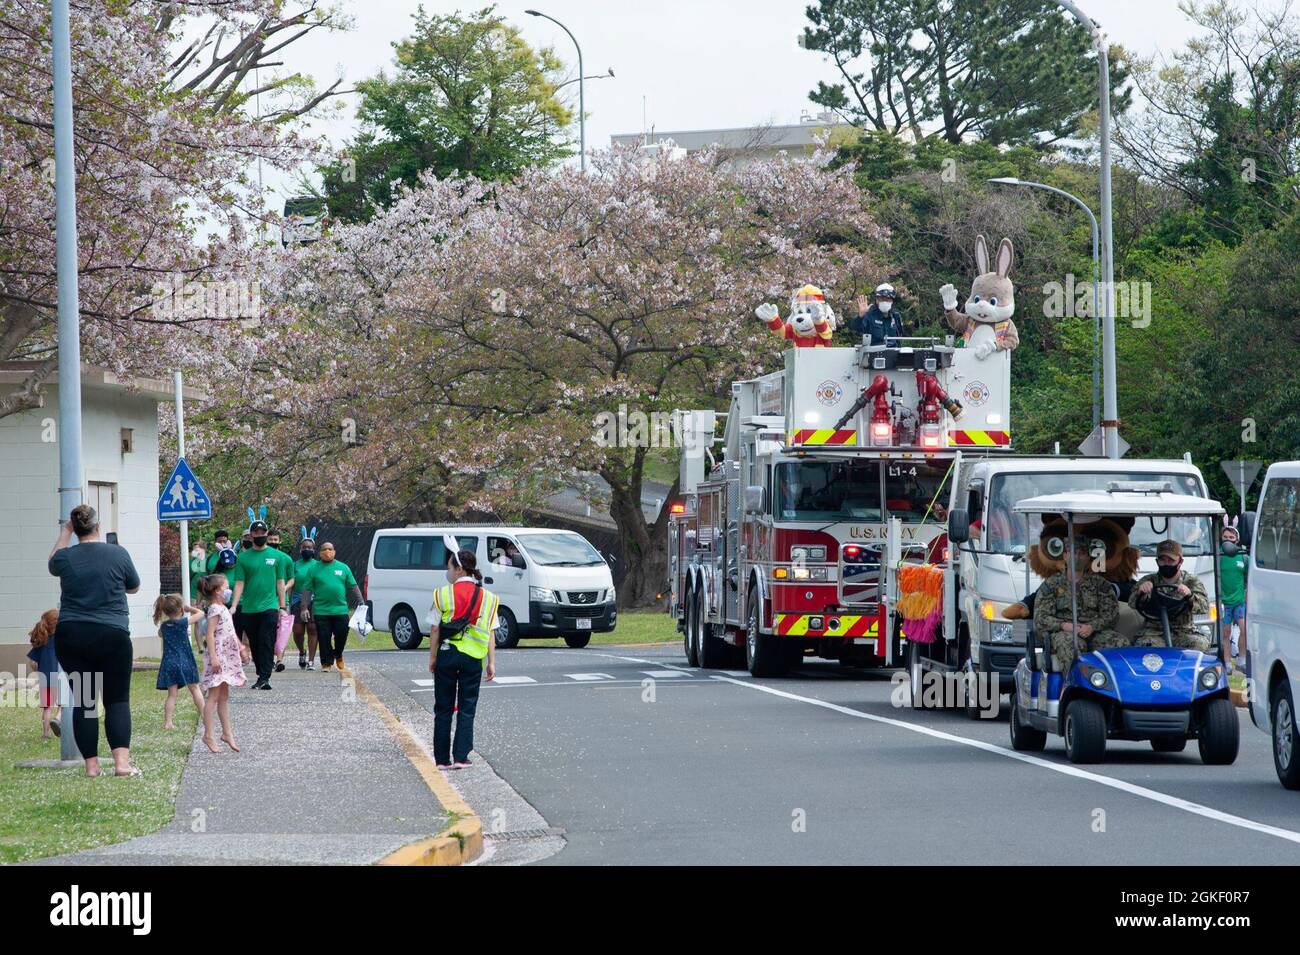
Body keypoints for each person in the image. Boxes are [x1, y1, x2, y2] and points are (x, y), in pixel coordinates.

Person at [47, 504, 142, 777]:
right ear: (98, 527)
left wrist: (65, 533)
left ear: (75, 530)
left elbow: (52, 562)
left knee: (86, 699)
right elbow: (134, 586)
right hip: (112, 634)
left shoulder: (66, 556)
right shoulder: (117, 553)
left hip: (73, 635)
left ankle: (91, 767)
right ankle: (122, 765)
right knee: (116, 700)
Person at [429, 548, 499, 769]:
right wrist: (491, 662)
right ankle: (461, 757)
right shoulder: (489, 597)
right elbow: (491, 632)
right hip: (473, 658)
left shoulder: (441, 594)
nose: (447, 571)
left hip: (447, 655)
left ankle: (442, 760)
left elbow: (434, 629)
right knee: (467, 708)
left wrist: (433, 657)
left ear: (459, 569)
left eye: (449, 567)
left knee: (443, 708)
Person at [1033, 538, 1125, 672]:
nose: (1076, 557)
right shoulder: (1052, 585)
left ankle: (1113, 690)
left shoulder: (1100, 584)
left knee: (1120, 643)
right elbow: (1041, 618)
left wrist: (1092, 626)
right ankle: (1073, 688)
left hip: (1094, 632)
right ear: (1065, 556)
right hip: (1064, 633)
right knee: (1071, 646)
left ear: (1088, 557)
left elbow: (1111, 614)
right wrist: (1065, 626)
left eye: (1081, 553)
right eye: (1072, 552)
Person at [228, 519, 288, 690]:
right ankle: (260, 672)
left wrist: (282, 607)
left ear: (267, 534)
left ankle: (265, 677)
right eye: (257, 532)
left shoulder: (276, 557)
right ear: (251, 535)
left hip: (269, 606)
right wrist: (233, 605)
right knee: (254, 641)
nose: (260, 535)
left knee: (266, 640)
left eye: (263, 532)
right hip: (249, 607)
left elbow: (280, 582)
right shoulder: (243, 558)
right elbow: (240, 583)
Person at [1130, 539, 1211, 651]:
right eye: (1162, 560)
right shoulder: (1148, 580)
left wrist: (1190, 596)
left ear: (1180, 562)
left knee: (1199, 644)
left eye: (1171, 560)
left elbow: (1204, 607)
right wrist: (1142, 592)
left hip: (1184, 631)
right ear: (1157, 561)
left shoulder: (1191, 581)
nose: (1166, 563)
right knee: (1145, 646)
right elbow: (1132, 603)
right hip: (1154, 632)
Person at [197, 574, 245, 752]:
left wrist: (240, 648)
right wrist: (215, 658)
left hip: (227, 657)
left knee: (224, 696)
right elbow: (209, 634)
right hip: (218, 657)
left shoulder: (222, 608)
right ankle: (208, 735)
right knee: (214, 696)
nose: (228, 591)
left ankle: (227, 733)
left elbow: (230, 632)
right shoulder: (215, 609)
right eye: (226, 588)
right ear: (217, 591)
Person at [299, 541, 361, 673]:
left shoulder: (343, 568)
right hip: (321, 610)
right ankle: (326, 662)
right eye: (324, 549)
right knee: (324, 637)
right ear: (320, 553)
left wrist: (361, 602)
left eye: (330, 549)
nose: (327, 551)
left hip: (340, 610)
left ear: (334, 551)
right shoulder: (314, 569)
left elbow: (353, 586)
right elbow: (307, 590)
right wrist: (304, 607)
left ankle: (338, 654)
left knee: (342, 634)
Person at [153, 594, 205, 730]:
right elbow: (201, 613)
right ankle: (205, 716)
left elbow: (160, 634)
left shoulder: (164, 627)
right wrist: (189, 608)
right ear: (181, 609)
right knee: (195, 689)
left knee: (172, 695)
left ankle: (168, 722)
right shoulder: (183, 622)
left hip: (169, 663)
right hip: (185, 661)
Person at [26, 609, 60, 740]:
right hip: (60, 677)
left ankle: (46, 734)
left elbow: (33, 663)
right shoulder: (61, 640)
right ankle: (57, 719)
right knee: (64, 704)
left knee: (47, 707)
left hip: (45, 678)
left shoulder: (42, 641)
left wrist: (38, 670)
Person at [1219, 525, 1249, 667]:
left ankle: (1242, 659)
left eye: (1231, 537)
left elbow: (1249, 578)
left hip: (1239, 601)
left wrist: (1246, 593)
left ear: (1237, 539)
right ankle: (1227, 662)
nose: (1228, 540)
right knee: (1226, 633)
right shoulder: (1218, 555)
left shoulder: (1243, 556)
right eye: (1225, 537)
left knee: (1244, 630)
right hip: (1224, 603)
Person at [266, 529, 295, 673]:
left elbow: (292, 578)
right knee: (269, 630)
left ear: (280, 541)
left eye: (275, 540)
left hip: (283, 602)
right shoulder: (262, 557)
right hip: (266, 600)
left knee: (282, 631)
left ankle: (279, 660)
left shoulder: (286, 558)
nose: (273, 542)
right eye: (270, 539)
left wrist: (284, 587)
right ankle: (269, 659)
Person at [290, 536, 319, 670]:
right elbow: (291, 584)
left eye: (309, 547)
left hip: (314, 599)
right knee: (298, 630)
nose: (307, 549)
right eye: (304, 547)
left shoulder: (318, 565)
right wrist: (287, 603)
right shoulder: (294, 565)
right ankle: (302, 651)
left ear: (313, 550)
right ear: (300, 549)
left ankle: (311, 661)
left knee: (313, 629)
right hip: (297, 599)